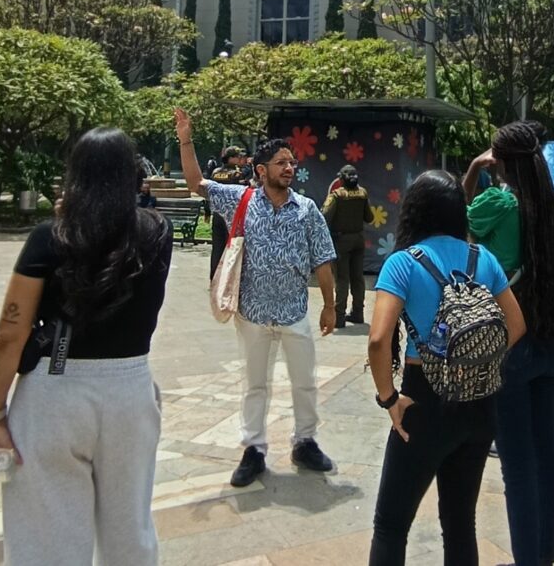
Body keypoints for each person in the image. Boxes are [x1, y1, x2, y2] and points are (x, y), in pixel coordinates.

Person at [0, 127, 173, 565]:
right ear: (131, 176)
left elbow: (10, 334)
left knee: (46, 538)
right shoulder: (157, 232)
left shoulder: (49, 238)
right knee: (130, 530)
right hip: (130, 391)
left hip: (54, 394)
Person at [367, 170, 526, 566]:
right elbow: (517, 324)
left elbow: (377, 340)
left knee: (391, 524)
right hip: (480, 403)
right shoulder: (482, 258)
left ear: (414, 211)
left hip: (424, 401)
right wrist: (475, 359)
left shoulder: (403, 263)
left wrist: (389, 398)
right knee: (460, 524)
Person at [174, 110, 339, 487]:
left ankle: (305, 441)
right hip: (251, 314)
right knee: (255, 384)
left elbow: (323, 259)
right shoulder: (240, 200)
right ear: (261, 170)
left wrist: (329, 305)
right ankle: (254, 449)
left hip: (295, 312)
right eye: (281, 163)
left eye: (292, 162)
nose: (289, 168)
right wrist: (186, 138)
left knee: (305, 382)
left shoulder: (307, 209)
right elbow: (196, 183)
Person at [463, 122, 554, 566]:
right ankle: (543, 557)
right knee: (548, 458)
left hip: (509, 347)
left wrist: (474, 167)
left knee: (517, 468)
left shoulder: (496, 203)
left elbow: (458, 211)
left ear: (501, 162)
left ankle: (527, 559)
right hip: (550, 344)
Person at [322, 164, 374, 328]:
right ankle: (358, 313)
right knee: (358, 278)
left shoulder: (337, 196)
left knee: (342, 278)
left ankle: (340, 316)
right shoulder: (363, 193)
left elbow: (324, 216)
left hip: (341, 241)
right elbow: (369, 217)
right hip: (359, 239)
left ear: (342, 179)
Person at [208, 146, 250, 279]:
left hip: (217, 213)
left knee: (217, 246)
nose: (239, 159)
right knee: (232, 247)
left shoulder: (215, 172)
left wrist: (207, 211)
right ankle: (228, 277)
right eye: (237, 156)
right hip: (232, 214)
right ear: (231, 158)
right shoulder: (236, 174)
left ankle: (214, 275)